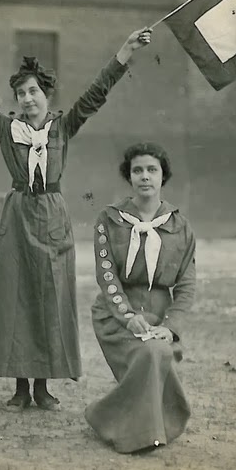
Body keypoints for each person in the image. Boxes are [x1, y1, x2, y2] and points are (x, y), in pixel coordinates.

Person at [0, 29, 152, 410]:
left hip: (53, 217)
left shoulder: (64, 126)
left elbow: (97, 92)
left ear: (46, 95)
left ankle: (43, 386)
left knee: (50, 297)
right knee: (16, 298)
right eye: (21, 94)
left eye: (33, 93)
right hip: (18, 216)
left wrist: (125, 50)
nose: (27, 100)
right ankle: (20, 387)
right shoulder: (7, 128)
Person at [85, 142, 196, 453]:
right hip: (117, 313)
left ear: (163, 176)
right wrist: (128, 316)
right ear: (128, 176)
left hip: (159, 317)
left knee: (158, 351)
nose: (144, 176)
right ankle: (141, 433)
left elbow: (187, 284)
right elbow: (106, 276)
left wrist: (172, 326)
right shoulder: (109, 220)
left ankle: (106, 414)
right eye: (137, 170)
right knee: (150, 355)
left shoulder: (180, 226)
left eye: (152, 170)